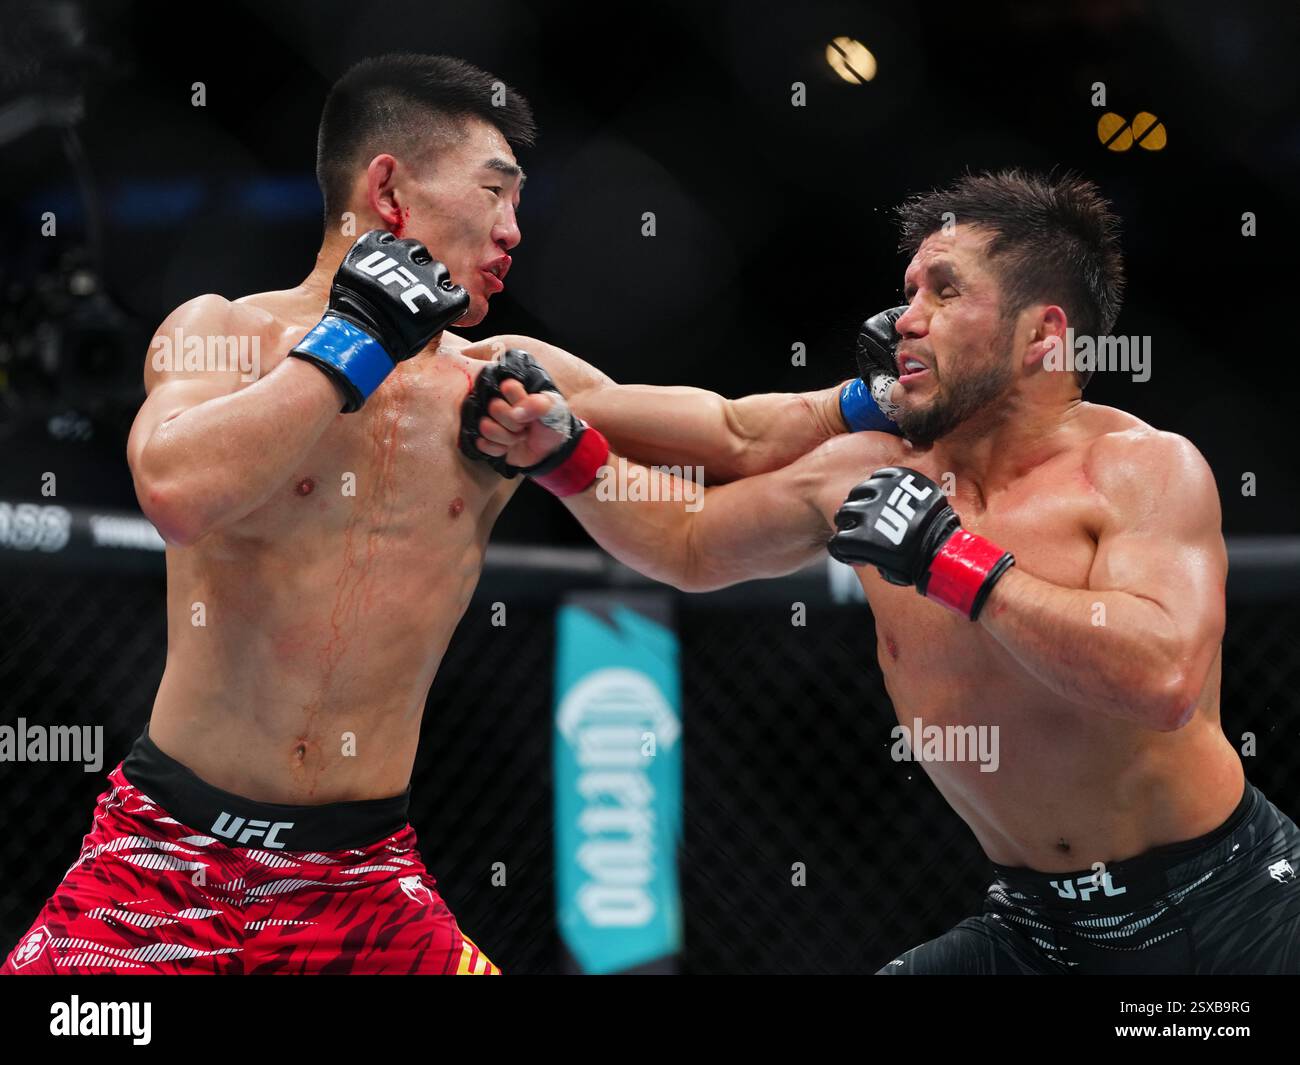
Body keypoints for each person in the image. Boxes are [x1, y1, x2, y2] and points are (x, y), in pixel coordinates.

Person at [1, 53, 878, 975]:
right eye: (494, 193)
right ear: (389, 189)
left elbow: (733, 433)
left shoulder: (497, 378)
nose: (512, 232)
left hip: (366, 884)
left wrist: (869, 401)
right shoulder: (227, 331)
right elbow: (176, 493)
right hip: (164, 866)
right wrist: (353, 342)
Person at [469, 169, 1300, 974]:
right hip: (1034, 930)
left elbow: (1162, 679)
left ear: (1042, 334)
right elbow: (688, 539)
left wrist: (954, 562)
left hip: (1230, 908)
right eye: (909, 293)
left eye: (943, 292)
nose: (904, 318)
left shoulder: (1142, 469)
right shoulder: (868, 466)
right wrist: (566, 455)